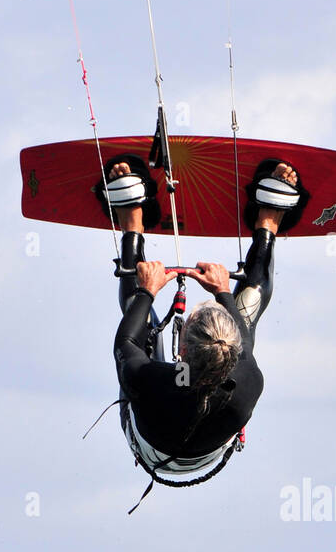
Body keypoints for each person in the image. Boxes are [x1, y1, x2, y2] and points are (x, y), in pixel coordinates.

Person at [106, 158, 301, 503]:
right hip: (206, 429)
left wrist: (148, 290)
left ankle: (131, 222)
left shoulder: (149, 380)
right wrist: (225, 291)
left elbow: (127, 339)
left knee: (144, 327)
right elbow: (236, 335)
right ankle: (268, 221)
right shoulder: (247, 379)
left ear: (182, 348)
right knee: (246, 322)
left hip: (151, 440)